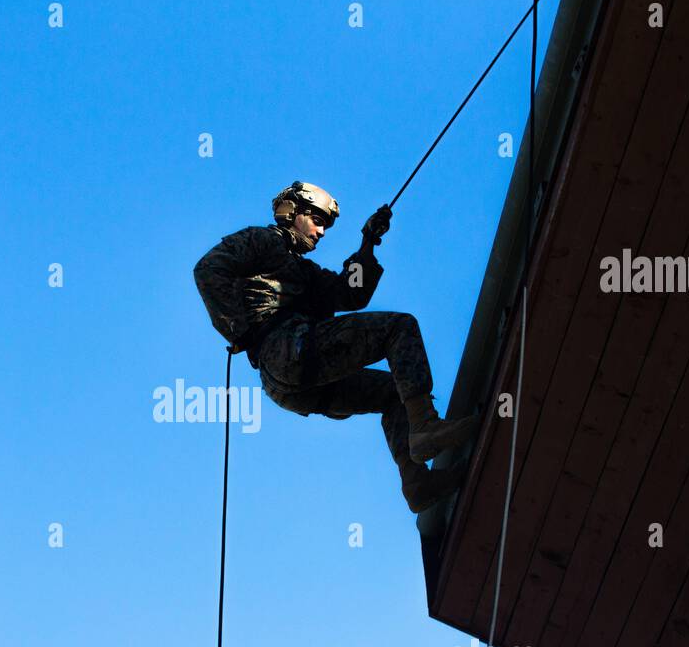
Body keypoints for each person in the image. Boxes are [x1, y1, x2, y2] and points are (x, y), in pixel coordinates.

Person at [193, 181, 478, 512]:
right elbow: (208, 269)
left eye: (325, 225)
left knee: (393, 393)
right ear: (292, 213)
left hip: (288, 382)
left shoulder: (303, 271)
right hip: (290, 348)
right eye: (316, 219)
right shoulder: (264, 240)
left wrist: (368, 243)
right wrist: (239, 329)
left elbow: (350, 292)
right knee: (400, 327)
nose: (322, 231)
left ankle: (418, 484)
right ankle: (425, 428)